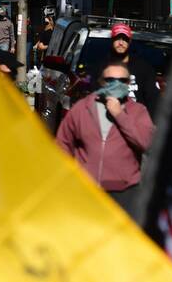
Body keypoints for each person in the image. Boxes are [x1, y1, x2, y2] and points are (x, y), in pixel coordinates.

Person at [55, 62, 155, 209]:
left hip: (125, 193)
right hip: (86, 190)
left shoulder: (138, 111)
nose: (116, 84)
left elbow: (147, 143)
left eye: (122, 80)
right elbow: (62, 144)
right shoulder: (83, 108)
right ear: (101, 82)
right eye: (110, 80)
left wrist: (119, 115)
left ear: (129, 83)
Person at [102, 23, 161, 115]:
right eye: (117, 38)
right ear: (112, 40)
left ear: (129, 41)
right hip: (108, 124)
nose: (121, 43)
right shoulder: (101, 67)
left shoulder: (143, 68)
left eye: (124, 39)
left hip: (136, 124)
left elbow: (153, 100)